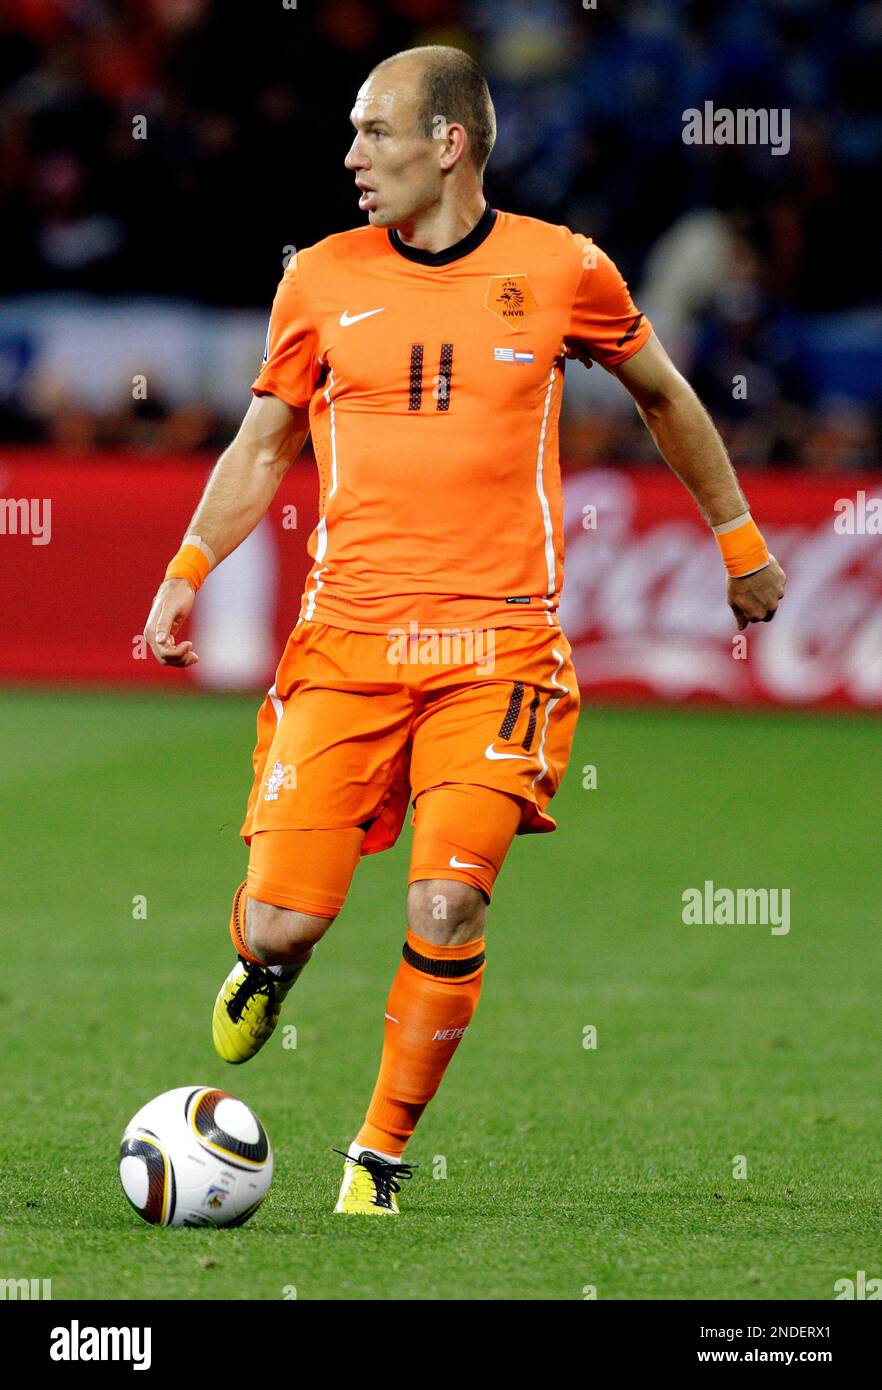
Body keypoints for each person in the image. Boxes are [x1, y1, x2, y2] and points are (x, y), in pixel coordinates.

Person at [144, 45, 786, 1216]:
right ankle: (261, 964)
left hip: (499, 652)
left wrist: (739, 541)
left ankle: (376, 1156)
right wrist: (188, 567)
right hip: (344, 649)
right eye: (351, 133)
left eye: (375, 133)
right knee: (289, 916)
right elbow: (262, 445)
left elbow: (663, 394)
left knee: (448, 900)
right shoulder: (322, 281)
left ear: (450, 143)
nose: (351, 158)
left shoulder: (562, 269)